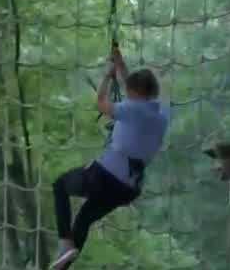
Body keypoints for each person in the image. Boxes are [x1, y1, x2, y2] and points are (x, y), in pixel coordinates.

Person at [50, 45, 170, 269]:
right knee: (84, 217)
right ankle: (63, 263)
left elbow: (102, 103)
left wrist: (107, 77)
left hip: (104, 177)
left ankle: (65, 242)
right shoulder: (162, 114)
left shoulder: (131, 109)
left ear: (135, 93)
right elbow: (135, 90)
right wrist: (121, 65)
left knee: (60, 186)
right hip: (127, 189)